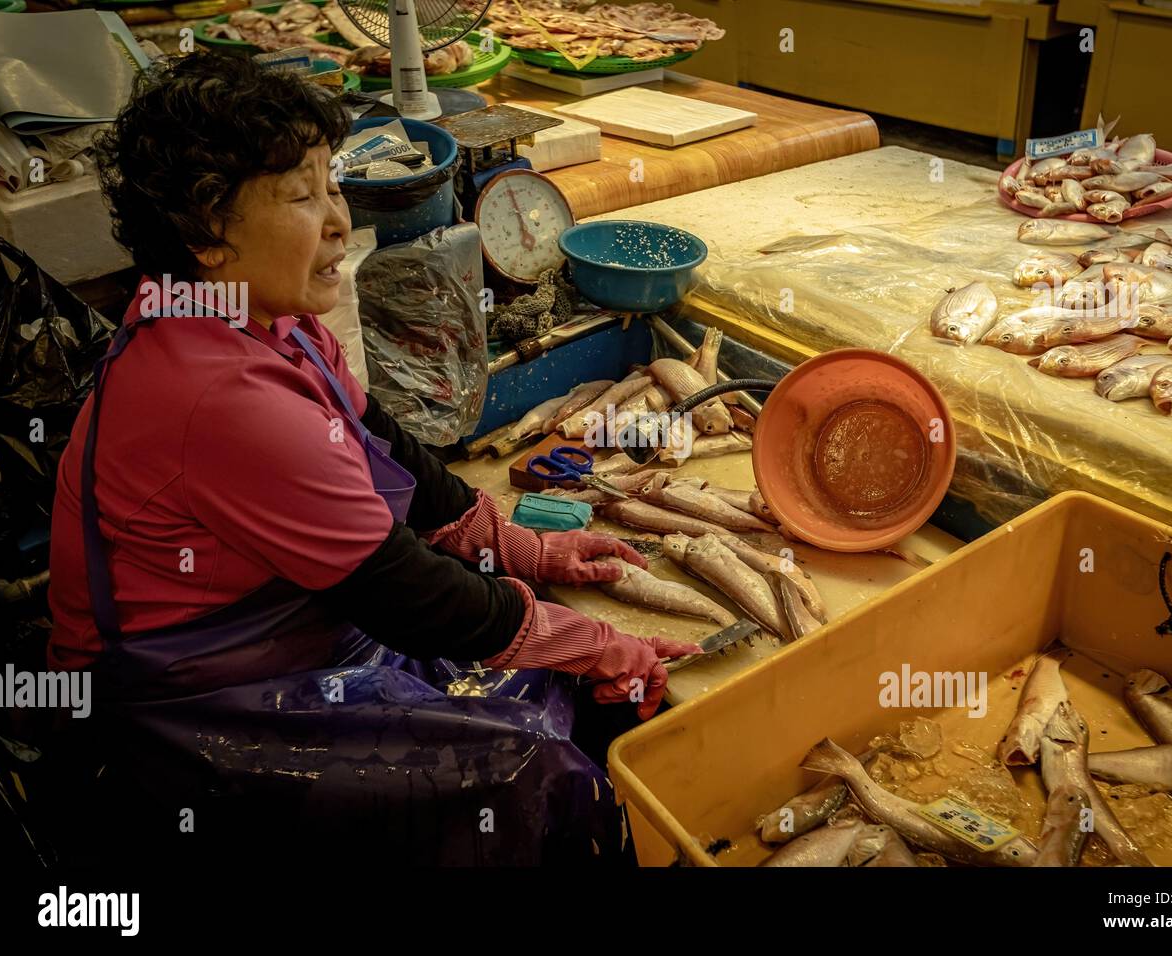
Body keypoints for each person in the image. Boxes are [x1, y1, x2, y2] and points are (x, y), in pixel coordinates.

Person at [45, 54, 698, 863]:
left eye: (331, 185)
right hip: (190, 705)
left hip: (288, 624)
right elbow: (404, 594)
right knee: (532, 772)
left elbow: (384, 441)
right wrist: (594, 642)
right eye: (300, 196)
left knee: (530, 644)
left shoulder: (252, 316)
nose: (336, 220)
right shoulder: (220, 401)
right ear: (205, 231)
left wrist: (523, 546)